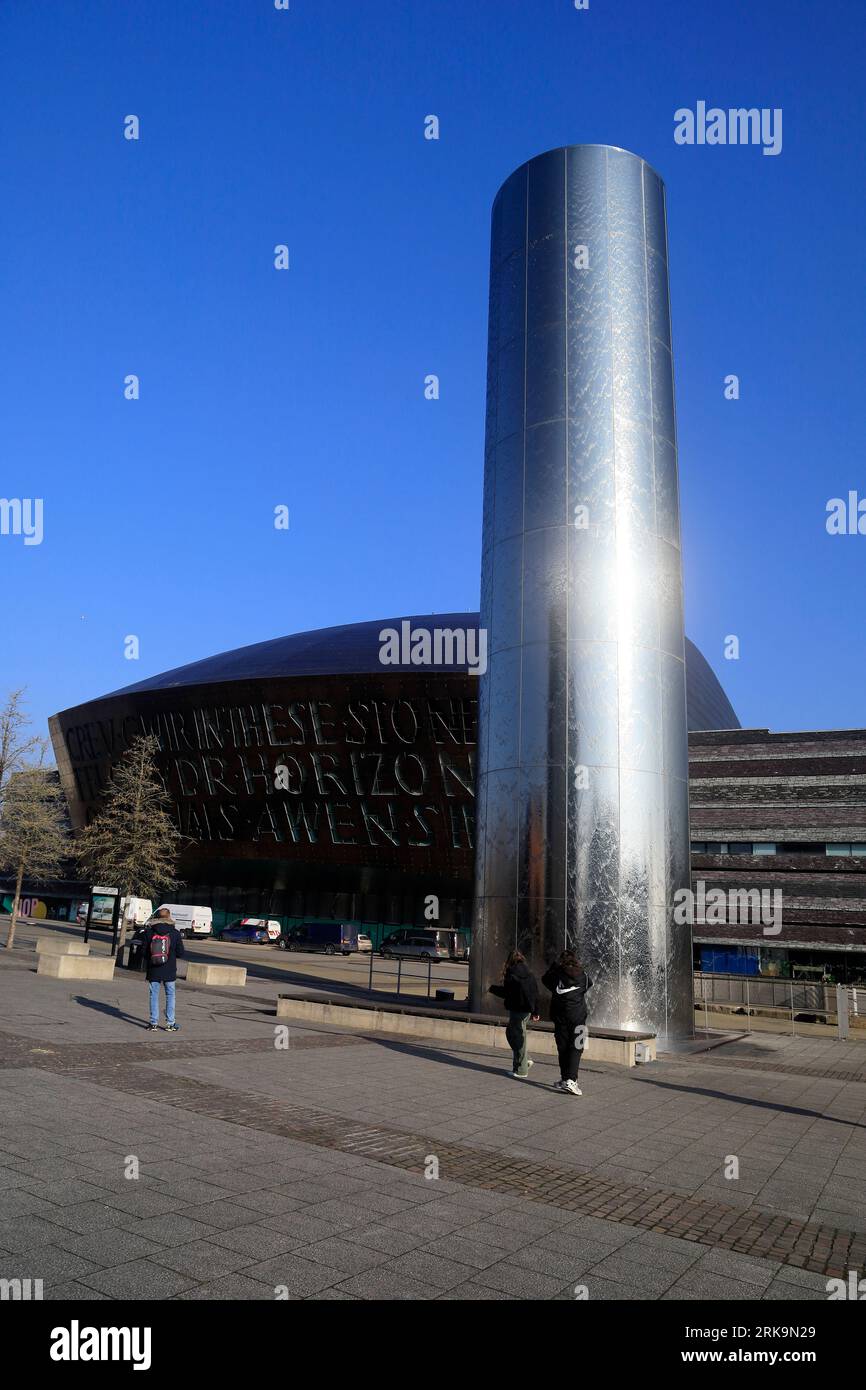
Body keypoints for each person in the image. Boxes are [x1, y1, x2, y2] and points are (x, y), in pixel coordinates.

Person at [542, 950, 593, 1095]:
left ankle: (566, 1079)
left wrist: (554, 967)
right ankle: (571, 1080)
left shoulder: (556, 976)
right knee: (577, 1048)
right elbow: (590, 983)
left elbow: (544, 979)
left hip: (560, 1018)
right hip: (579, 1018)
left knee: (563, 1048)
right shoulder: (583, 976)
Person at [490, 950, 540, 1079]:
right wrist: (535, 1011)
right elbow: (535, 993)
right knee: (515, 1035)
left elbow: (507, 993)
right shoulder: (529, 973)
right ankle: (525, 1060)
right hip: (526, 1010)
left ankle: (521, 1069)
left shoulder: (511, 974)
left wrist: (492, 989)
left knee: (517, 1038)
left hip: (517, 1010)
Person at [140, 907, 185, 1032]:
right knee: (170, 995)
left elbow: (143, 952)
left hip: (154, 969)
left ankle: (153, 1023)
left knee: (153, 995)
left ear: (157, 917)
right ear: (169, 917)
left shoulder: (149, 932)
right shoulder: (175, 933)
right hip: (169, 970)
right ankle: (170, 1023)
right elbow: (181, 953)